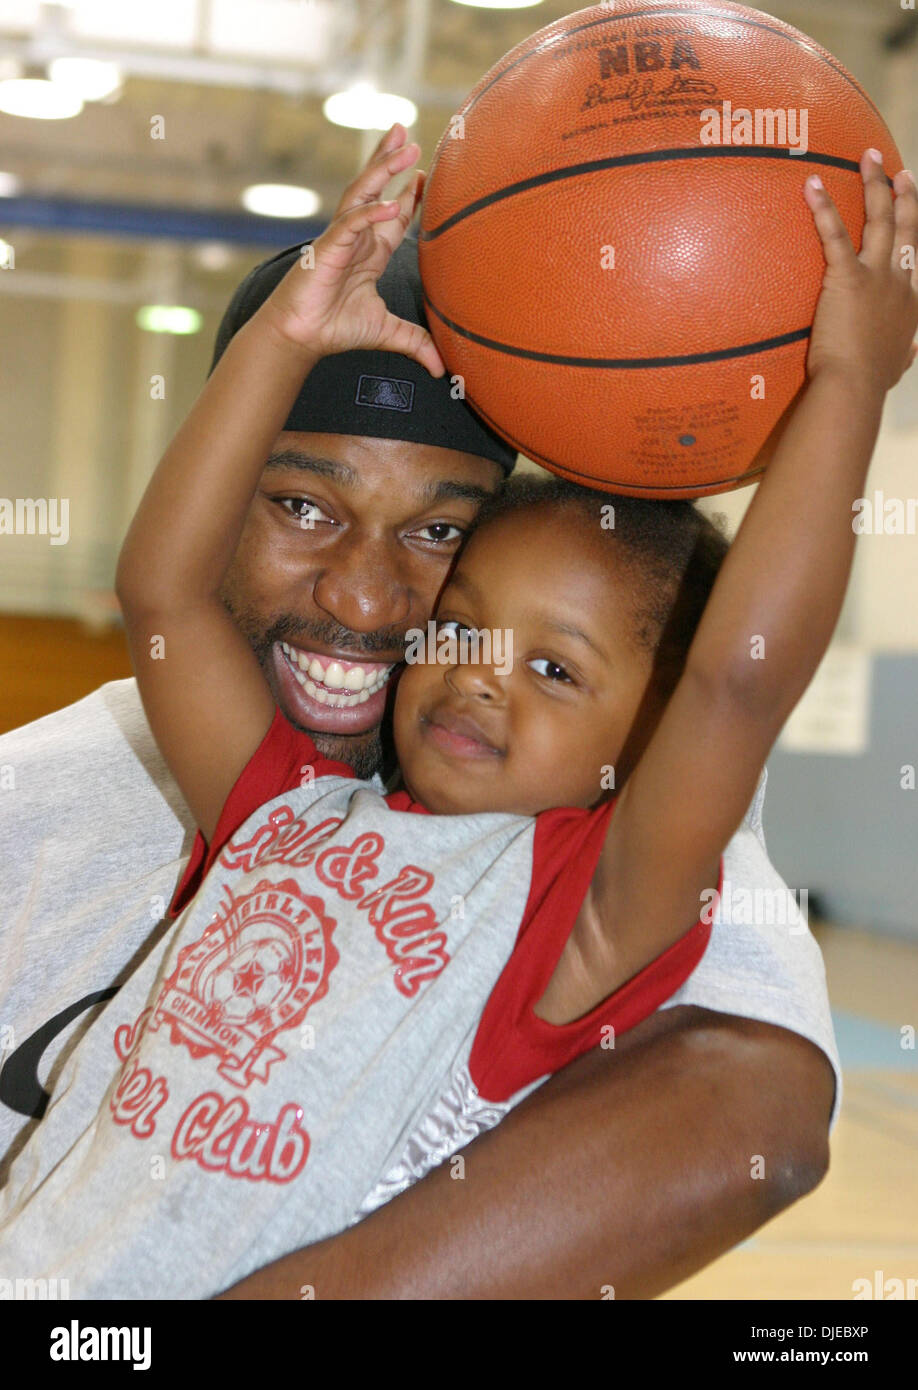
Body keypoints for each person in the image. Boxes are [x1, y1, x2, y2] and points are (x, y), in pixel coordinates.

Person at [0, 126, 863, 1299]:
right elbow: (159, 588)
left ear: (646, 734)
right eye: (463, 625)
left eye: (556, 670)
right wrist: (289, 329)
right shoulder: (287, 809)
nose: (478, 673)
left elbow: (740, 680)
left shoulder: (583, 910)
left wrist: (849, 389)